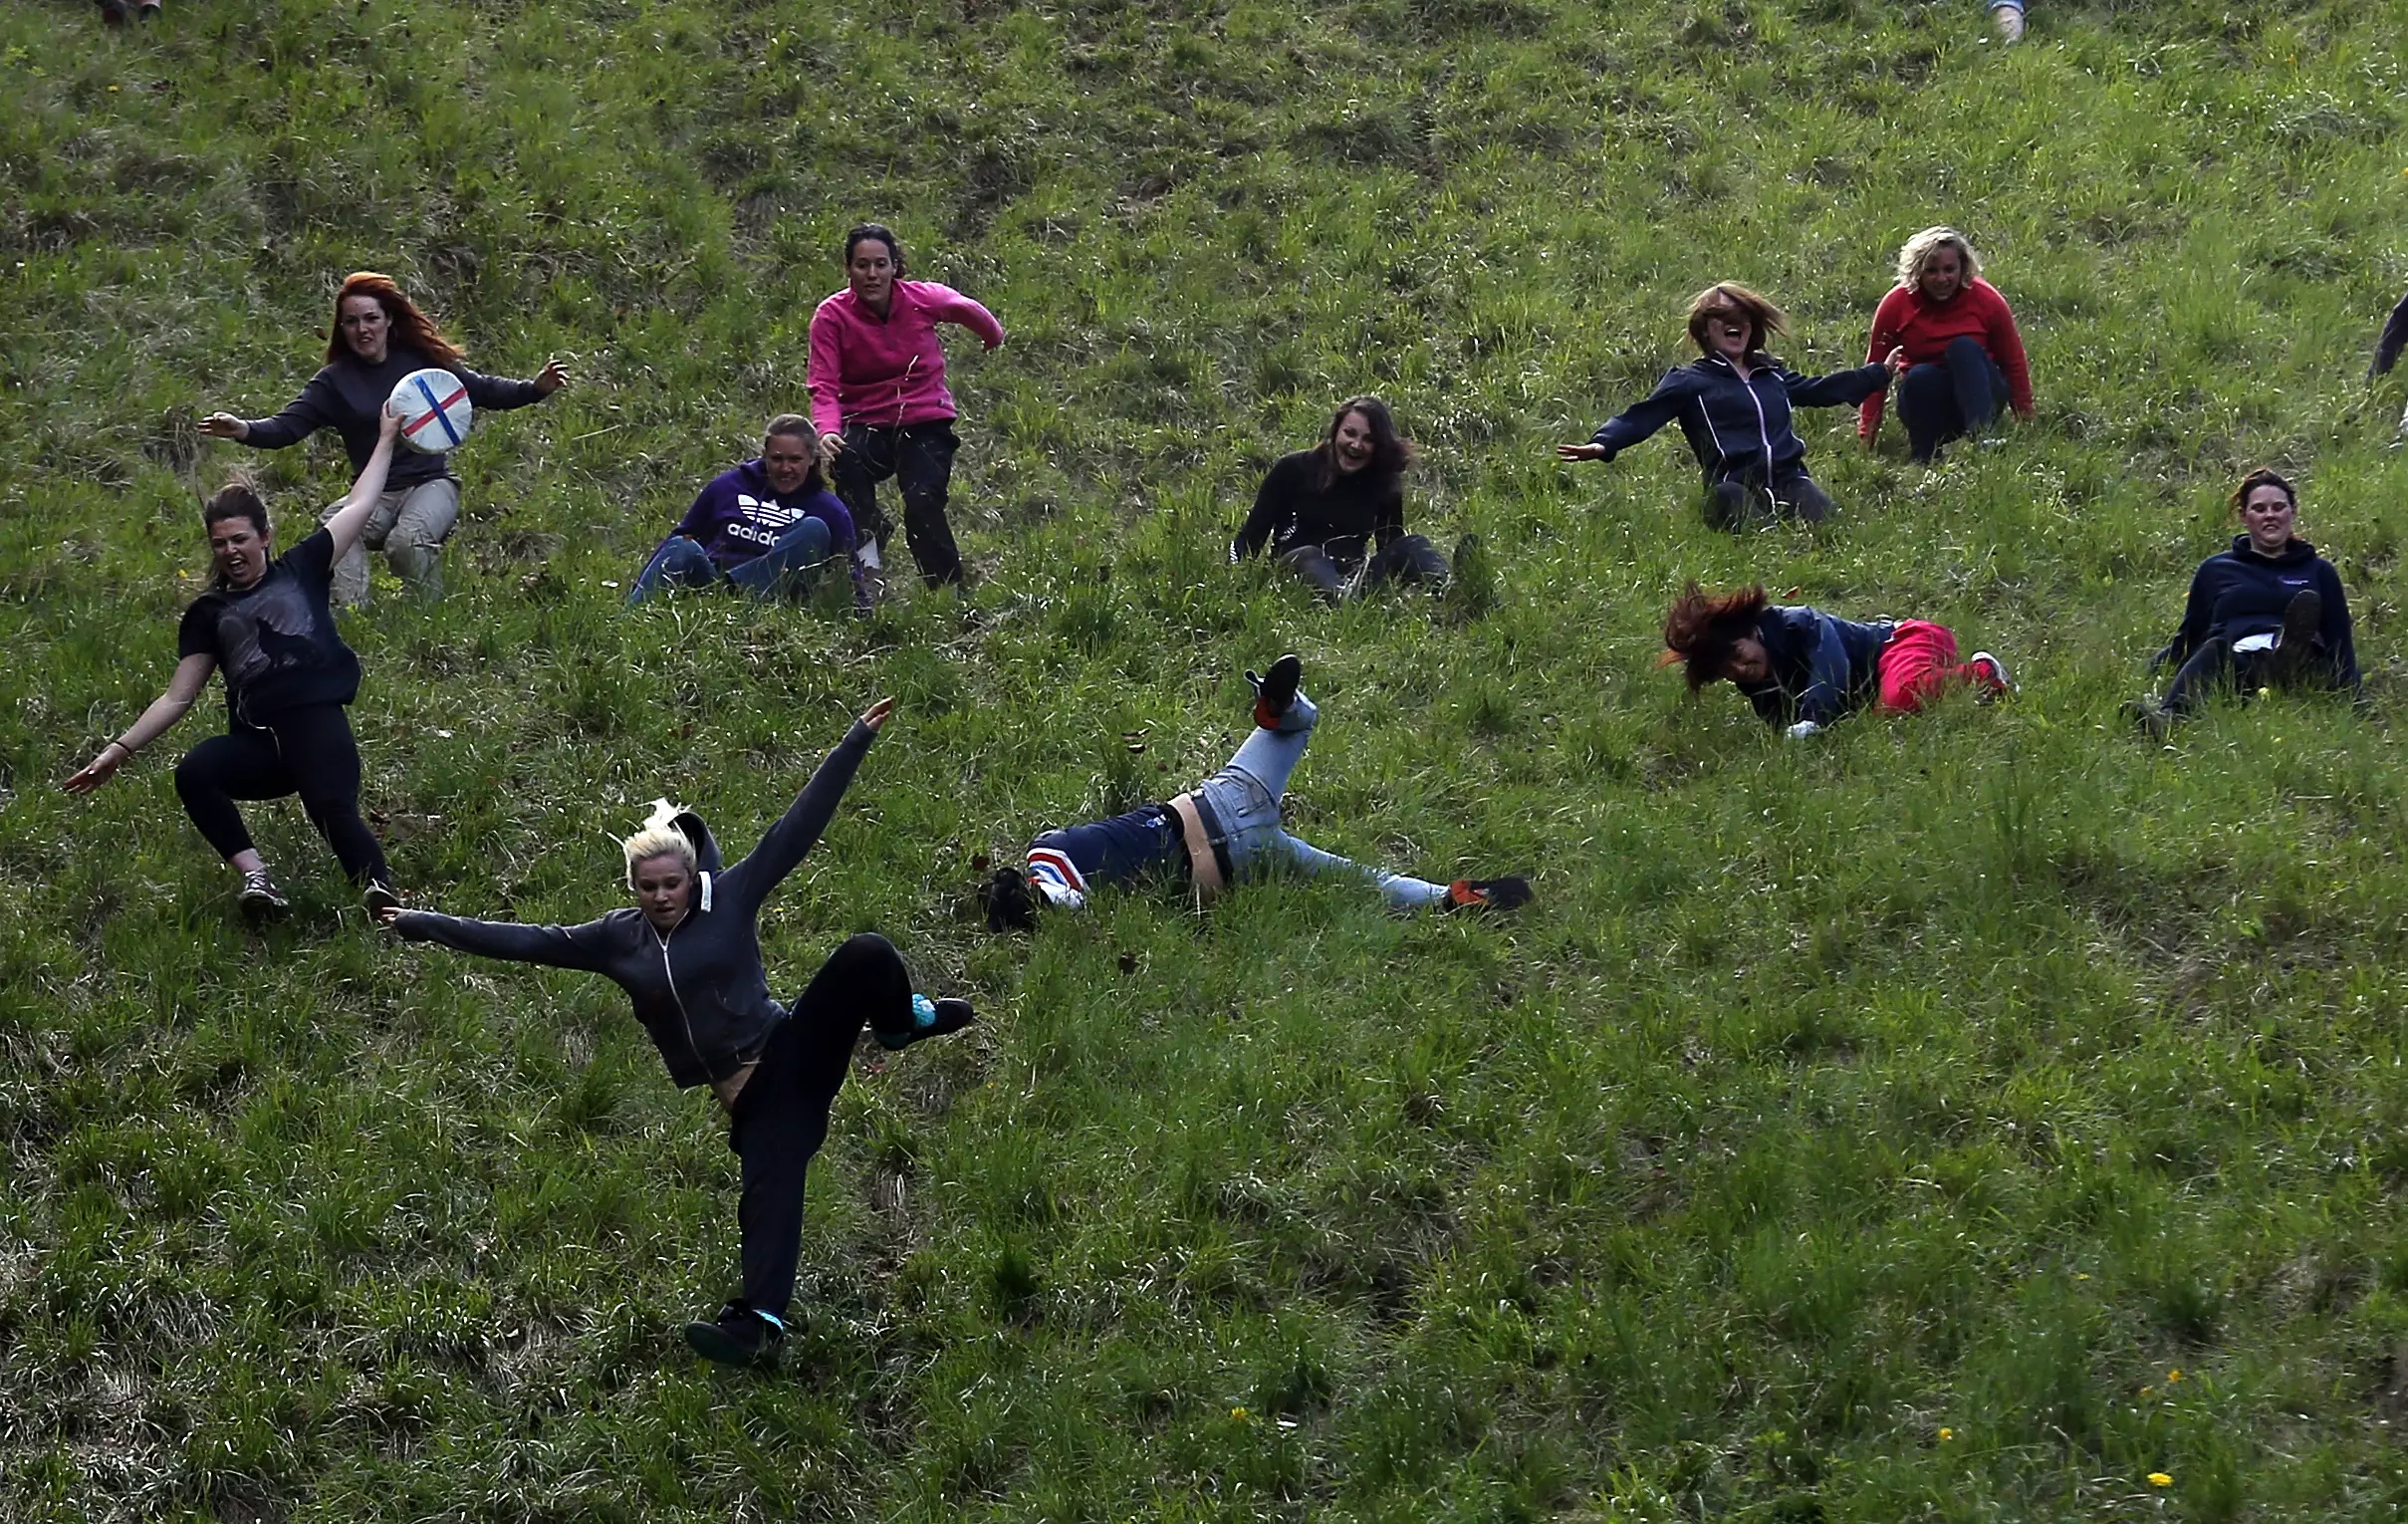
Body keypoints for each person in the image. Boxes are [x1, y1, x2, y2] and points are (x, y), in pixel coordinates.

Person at [376, 700, 975, 1369]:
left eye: (673, 884)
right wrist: (424, 922)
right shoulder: (617, 941)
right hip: (753, 1101)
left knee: (864, 954)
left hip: (788, 1050)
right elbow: (526, 942)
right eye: (648, 887)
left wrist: (854, 742)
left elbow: (795, 830)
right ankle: (758, 1325)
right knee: (770, 1183)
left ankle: (902, 1023)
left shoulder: (731, 898)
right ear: (633, 888)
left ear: (692, 879)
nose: (662, 897)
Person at [64, 409, 408, 917]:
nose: (231, 551)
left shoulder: (304, 567)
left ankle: (382, 897)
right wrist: (120, 749)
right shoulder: (209, 613)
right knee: (197, 771)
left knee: (330, 808)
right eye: (220, 543)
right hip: (259, 745)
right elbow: (178, 695)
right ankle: (258, 879)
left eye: (240, 539)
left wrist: (384, 439)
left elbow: (360, 501)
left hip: (316, 727)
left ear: (264, 536)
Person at [981, 654, 1531, 930]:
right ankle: (1277, 708)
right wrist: (1037, 894)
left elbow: (1065, 899)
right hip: (1223, 806)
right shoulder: (1050, 852)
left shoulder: (1054, 868)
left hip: (1235, 845)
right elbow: (1062, 895)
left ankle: (1448, 898)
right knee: (1297, 728)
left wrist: (1037, 898)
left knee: (1367, 882)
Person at [199, 272, 571, 605]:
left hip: (431, 484)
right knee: (335, 526)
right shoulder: (334, 381)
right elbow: (287, 427)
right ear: (341, 328)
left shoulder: (423, 362)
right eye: (352, 321)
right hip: (374, 493)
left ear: (389, 320)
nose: (363, 329)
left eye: (371, 318)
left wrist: (535, 388)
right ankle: (354, 615)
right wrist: (243, 429)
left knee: (406, 542)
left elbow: (481, 389)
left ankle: (430, 617)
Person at [1557, 283, 1902, 529]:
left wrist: (1878, 373)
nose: (1734, 321)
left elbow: (1820, 389)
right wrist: (1604, 444)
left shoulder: (1770, 374)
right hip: (1732, 486)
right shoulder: (1690, 380)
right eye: (1721, 315)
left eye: (1742, 315)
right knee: (1744, 515)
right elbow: (1644, 415)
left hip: (1787, 480)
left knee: (1830, 524)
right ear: (1705, 330)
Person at [808, 224, 1004, 593]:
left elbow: (962, 307)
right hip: (865, 422)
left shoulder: (921, 299)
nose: (872, 274)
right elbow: (824, 383)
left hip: (925, 420)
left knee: (922, 502)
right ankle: (868, 568)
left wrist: (991, 335)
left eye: (880, 264)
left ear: (895, 266)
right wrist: (828, 430)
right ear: (848, 269)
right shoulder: (832, 316)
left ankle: (947, 590)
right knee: (846, 464)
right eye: (862, 265)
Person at [2126, 468, 2359, 738]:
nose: (2270, 514)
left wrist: (2355, 698)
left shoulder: (2318, 571)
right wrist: (2157, 664)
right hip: (2238, 660)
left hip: (2305, 661)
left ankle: (2287, 653)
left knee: (2302, 637)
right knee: (2214, 648)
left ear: (2293, 512)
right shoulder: (2216, 569)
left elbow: (2340, 639)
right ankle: (2168, 719)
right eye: (2259, 509)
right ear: (2244, 517)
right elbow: (2192, 631)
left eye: (2278, 507)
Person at [1660, 582, 2012, 738]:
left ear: (1752, 633)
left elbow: (1833, 667)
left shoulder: (1800, 624)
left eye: (1737, 655)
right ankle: (1964, 690)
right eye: (1727, 671)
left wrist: (1813, 720)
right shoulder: (1758, 687)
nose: (1740, 670)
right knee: (1888, 714)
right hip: (1883, 676)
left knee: (1897, 700)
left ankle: (1983, 672)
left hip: (1905, 640)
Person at [628, 414, 871, 610]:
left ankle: (733, 595)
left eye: (795, 460)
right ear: (764, 455)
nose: (785, 468)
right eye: (777, 459)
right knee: (682, 545)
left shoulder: (830, 510)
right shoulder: (727, 487)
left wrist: (863, 623)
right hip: (711, 585)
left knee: (814, 529)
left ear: (811, 459)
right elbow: (681, 539)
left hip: (772, 600)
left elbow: (848, 573)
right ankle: (628, 618)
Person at [1229, 396, 1456, 603]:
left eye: (1368, 439)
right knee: (1309, 554)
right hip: (1295, 571)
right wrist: (1229, 582)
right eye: (1350, 433)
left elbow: (1391, 547)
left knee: (1413, 543)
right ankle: (1342, 596)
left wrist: (1407, 573)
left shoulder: (1383, 484)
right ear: (1336, 432)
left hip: (1354, 577)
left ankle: (1451, 587)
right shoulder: (1294, 469)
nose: (1356, 445)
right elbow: (1250, 537)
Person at [1858, 227, 2035, 463]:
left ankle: (1981, 439)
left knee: (1962, 348)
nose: (1942, 279)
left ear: (1963, 268)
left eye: (1949, 270)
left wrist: (2026, 420)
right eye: (1931, 271)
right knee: (1920, 374)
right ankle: (1925, 455)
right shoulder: (1897, 304)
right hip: (1929, 402)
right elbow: (1876, 370)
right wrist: (1866, 436)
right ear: (1917, 272)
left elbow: (2013, 361)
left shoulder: (1986, 299)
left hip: (1982, 393)